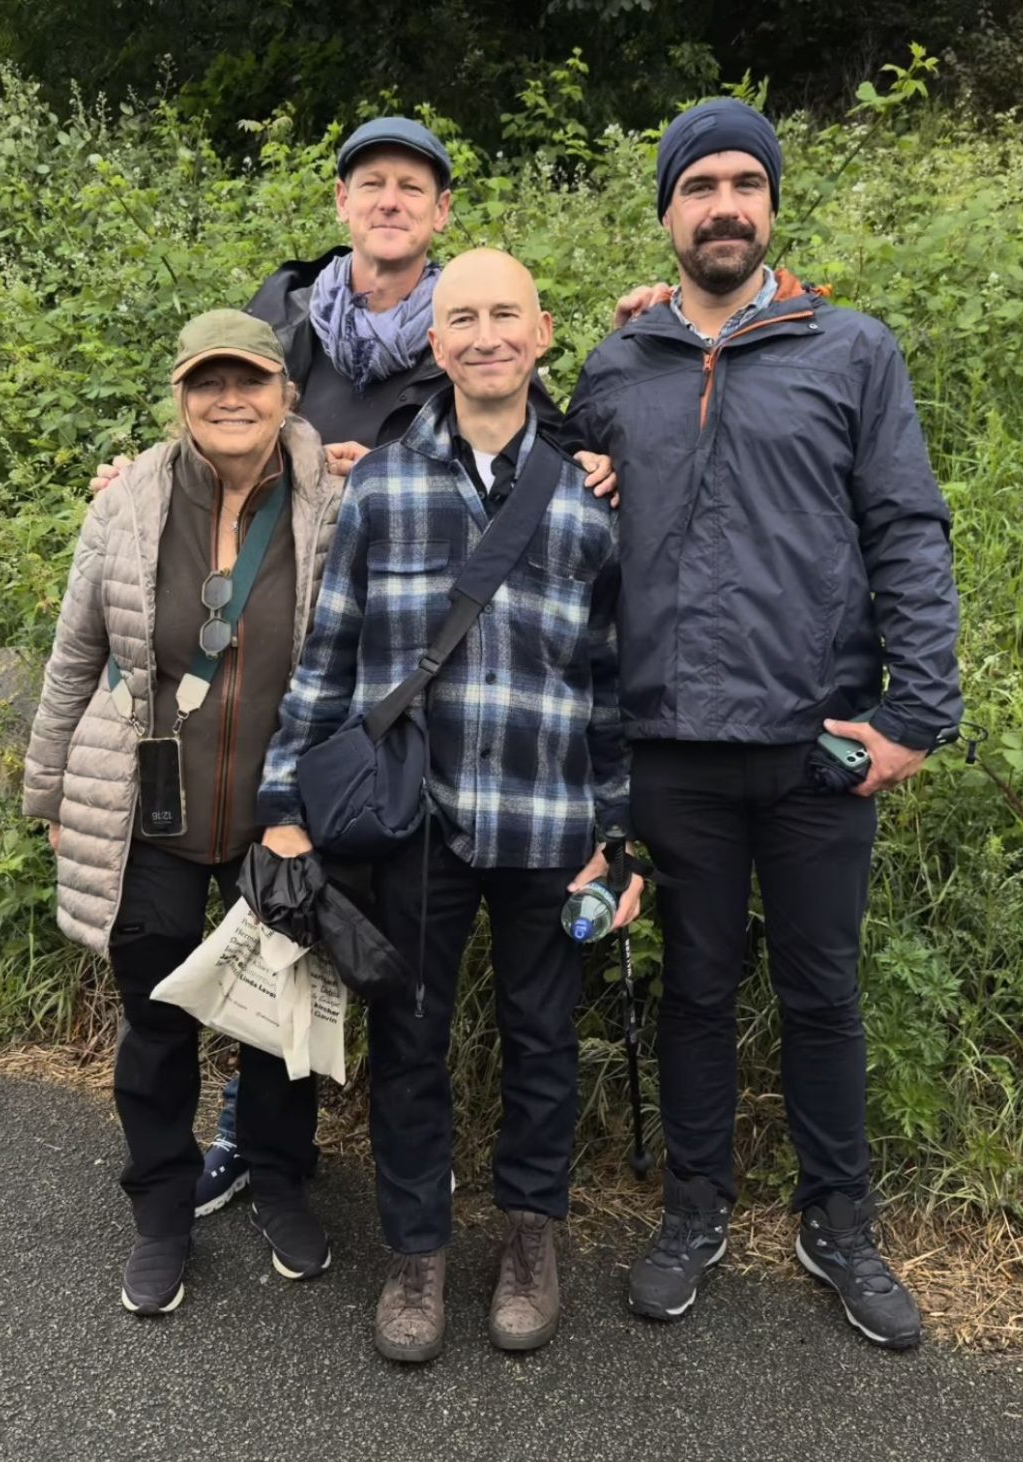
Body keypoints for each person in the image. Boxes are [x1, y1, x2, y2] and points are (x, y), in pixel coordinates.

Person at [92, 116, 617, 1220]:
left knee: (332, 954)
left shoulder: (498, 380)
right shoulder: (289, 327)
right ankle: (247, 1155)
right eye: (370, 182)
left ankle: (307, 1163)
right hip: (306, 715)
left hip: (400, 726)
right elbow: (204, 423)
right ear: (341, 204)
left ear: (440, 215)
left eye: (412, 187)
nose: (389, 200)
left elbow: (538, 476)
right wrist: (133, 481)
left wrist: (587, 462)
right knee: (279, 955)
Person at [564, 99, 962, 1350]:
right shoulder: (617, 367)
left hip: (815, 743)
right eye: (700, 186)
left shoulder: (851, 349)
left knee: (823, 990)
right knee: (694, 987)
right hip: (667, 741)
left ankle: (838, 1219)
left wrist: (917, 712)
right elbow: (558, 523)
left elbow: (907, 526)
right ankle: (694, 1208)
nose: (724, 203)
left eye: (746, 182)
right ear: (669, 213)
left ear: (773, 206)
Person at [256, 248, 643, 1362]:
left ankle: (530, 1236)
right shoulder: (383, 480)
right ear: (437, 344)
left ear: (542, 332)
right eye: (461, 316)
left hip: (548, 818)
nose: (482, 335)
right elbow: (328, 661)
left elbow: (607, 685)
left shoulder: (585, 495)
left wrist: (618, 840)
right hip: (414, 817)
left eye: (503, 315)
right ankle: (415, 1251)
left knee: (541, 1038)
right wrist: (287, 801)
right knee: (412, 1039)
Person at [23, 310, 345, 1314]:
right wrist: (49, 793)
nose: (229, 399)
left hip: (279, 806)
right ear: (181, 398)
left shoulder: (332, 501)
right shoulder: (126, 506)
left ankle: (279, 1177)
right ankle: (163, 1203)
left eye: (248, 379)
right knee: (156, 1011)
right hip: (148, 807)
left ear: (285, 392)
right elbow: (78, 653)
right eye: (207, 382)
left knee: (278, 1012)